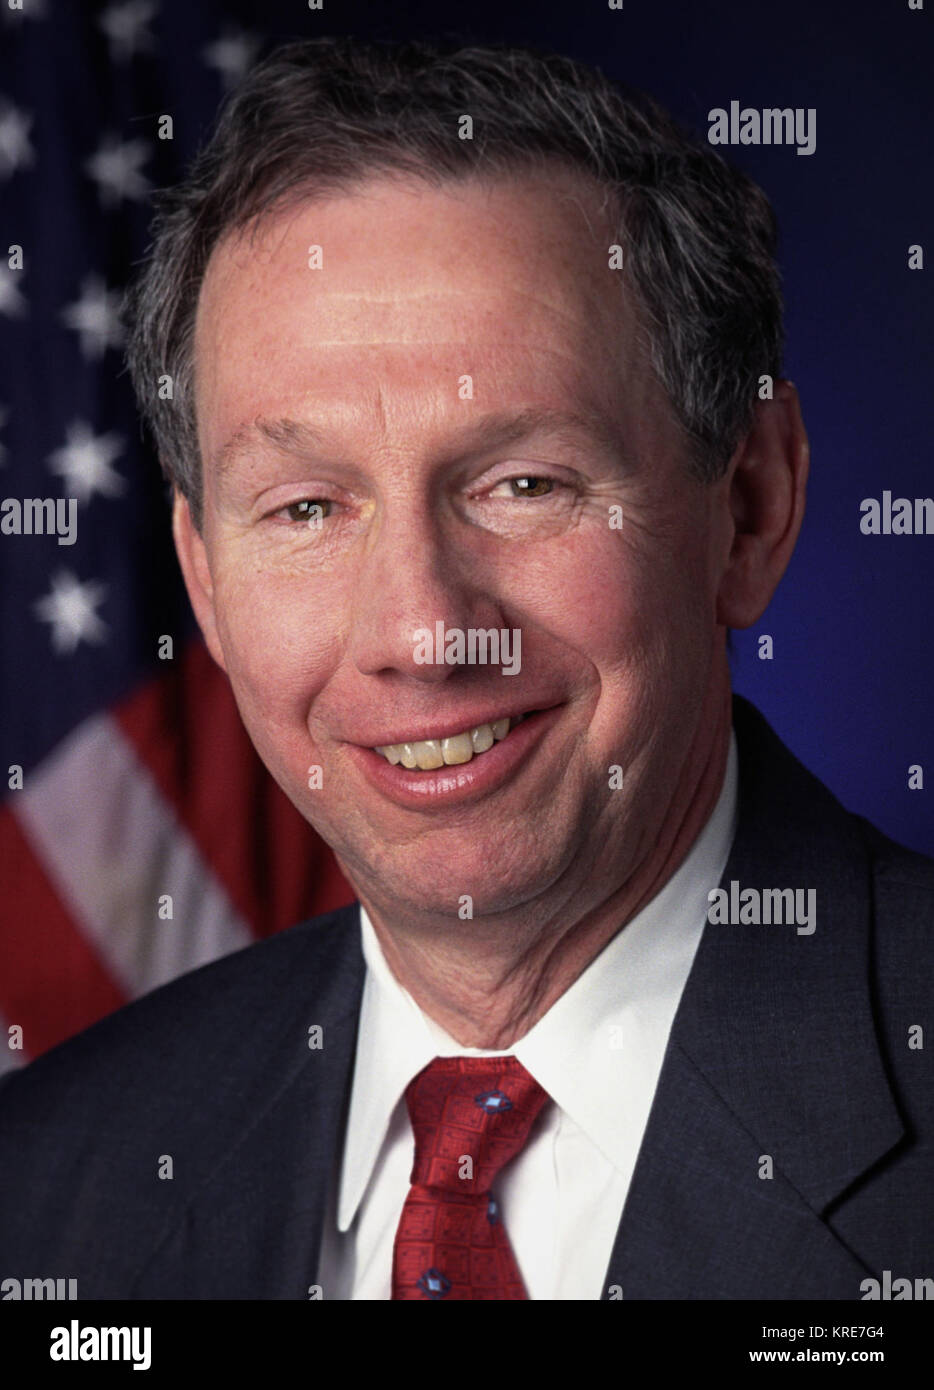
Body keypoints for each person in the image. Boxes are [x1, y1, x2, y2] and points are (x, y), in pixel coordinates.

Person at [1, 36, 931, 1302]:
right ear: (205, 583)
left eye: (522, 484)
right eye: (307, 509)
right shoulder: (51, 1185)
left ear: (751, 503)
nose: (422, 635)